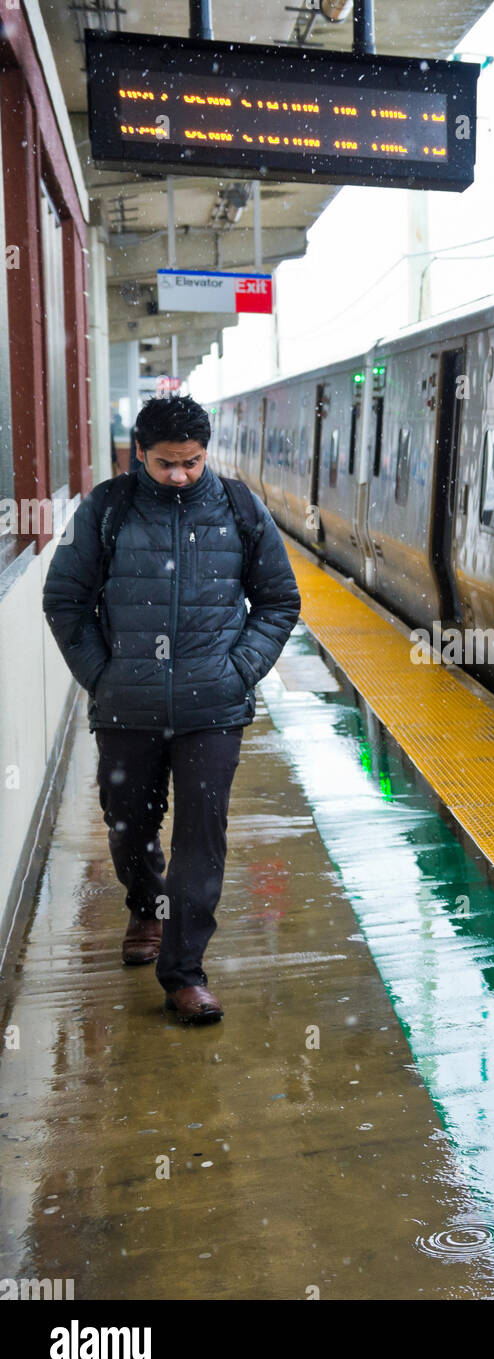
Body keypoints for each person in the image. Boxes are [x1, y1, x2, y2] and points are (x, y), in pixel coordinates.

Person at [43, 395, 301, 1024]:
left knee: (201, 837)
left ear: (205, 452)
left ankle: (184, 974)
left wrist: (237, 671)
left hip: (212, 708)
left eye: (190, 462)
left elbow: (278, 601)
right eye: (165, 464)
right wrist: (103, 677)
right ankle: (144, 906)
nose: (180, 475)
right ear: (140, 454)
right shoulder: (107, 508)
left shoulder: (240, 508)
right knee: (130, 823)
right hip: (126, 707)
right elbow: (64, 600)